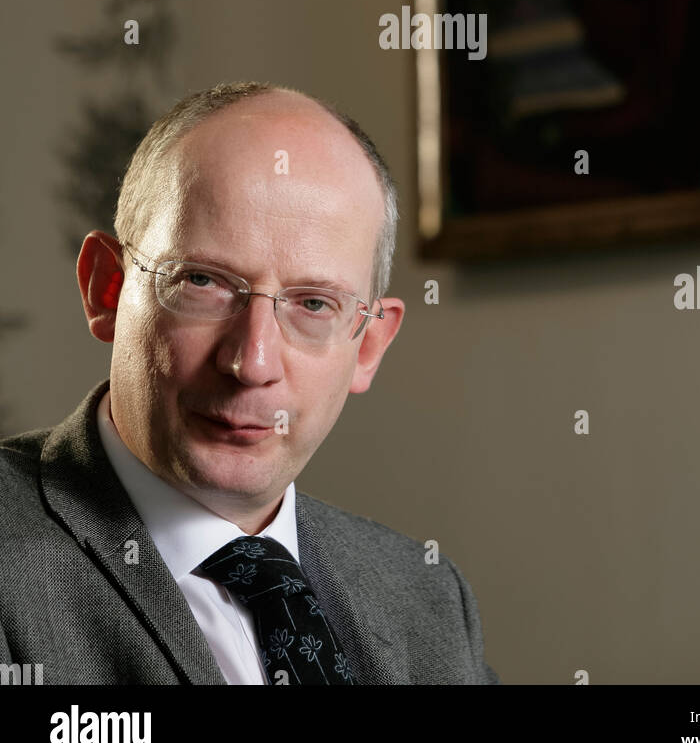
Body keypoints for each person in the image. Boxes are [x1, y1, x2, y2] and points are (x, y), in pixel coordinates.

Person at [0, 81, 498, 685]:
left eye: (314, 303)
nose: (252, 362)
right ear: (107, 288)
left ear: (368, 345)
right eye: (203, 283)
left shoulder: (426, 595)